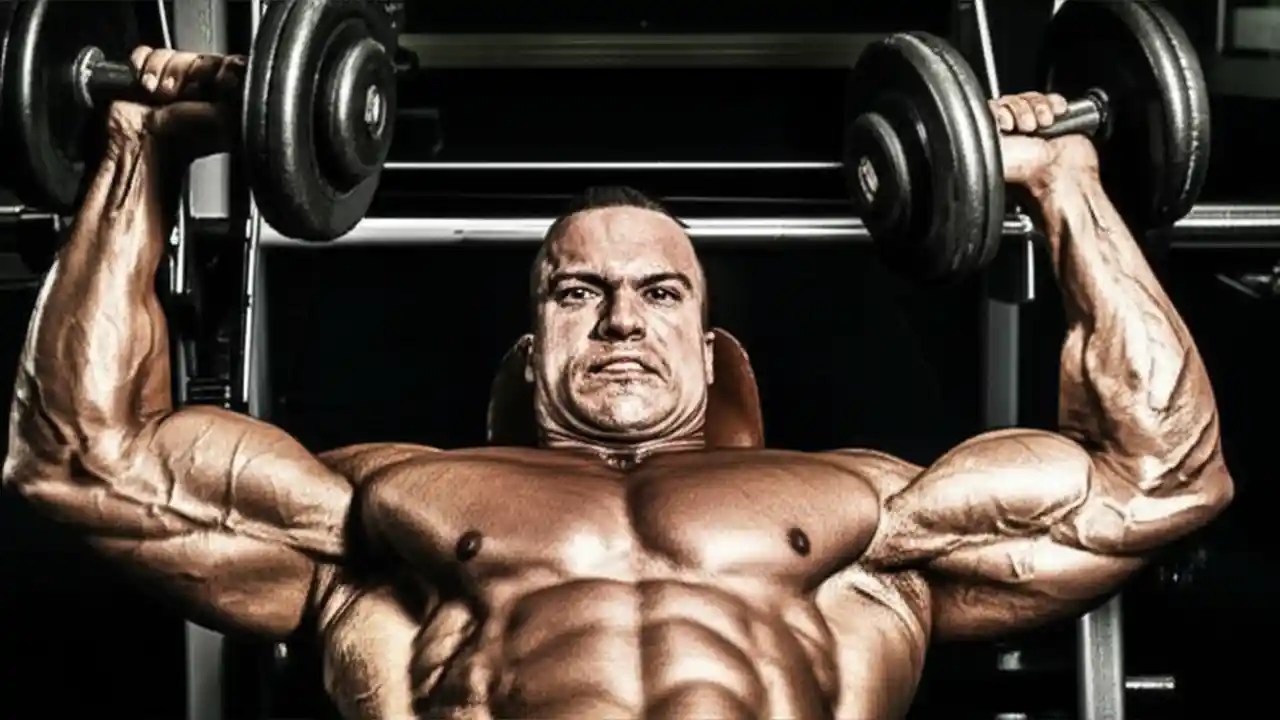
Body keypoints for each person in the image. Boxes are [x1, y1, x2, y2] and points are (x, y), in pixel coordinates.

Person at [3, 46, 1232, 720]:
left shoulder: (860, 510)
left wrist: (1064, 182)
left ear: (709, 349)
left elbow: (1158, 478)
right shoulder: (398, 501)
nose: (618, 320)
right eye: (575, 291)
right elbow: (81, 458)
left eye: (658, 292)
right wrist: (137, 146)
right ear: (531, 342)